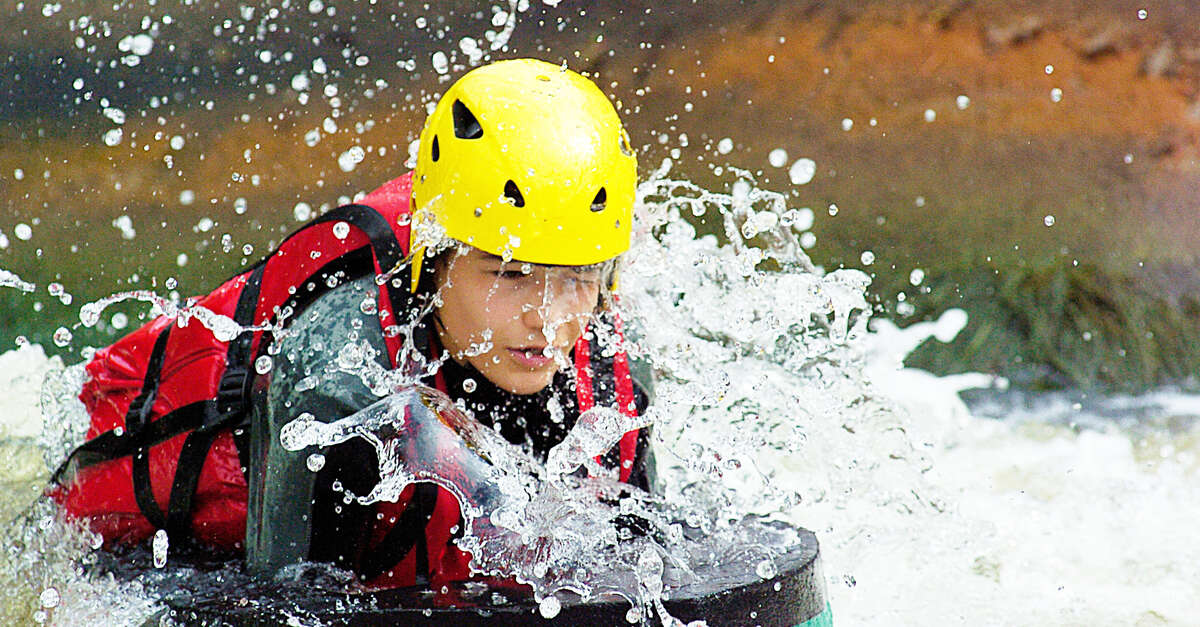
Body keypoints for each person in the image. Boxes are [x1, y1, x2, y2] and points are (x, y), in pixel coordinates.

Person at [53, 58, 653, 590]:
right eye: (512, 273)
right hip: (138, 550)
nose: (549, 319)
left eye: (576, 275)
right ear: (436, 256)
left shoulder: (612, 373)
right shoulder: (339, 387)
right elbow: (286, 604)